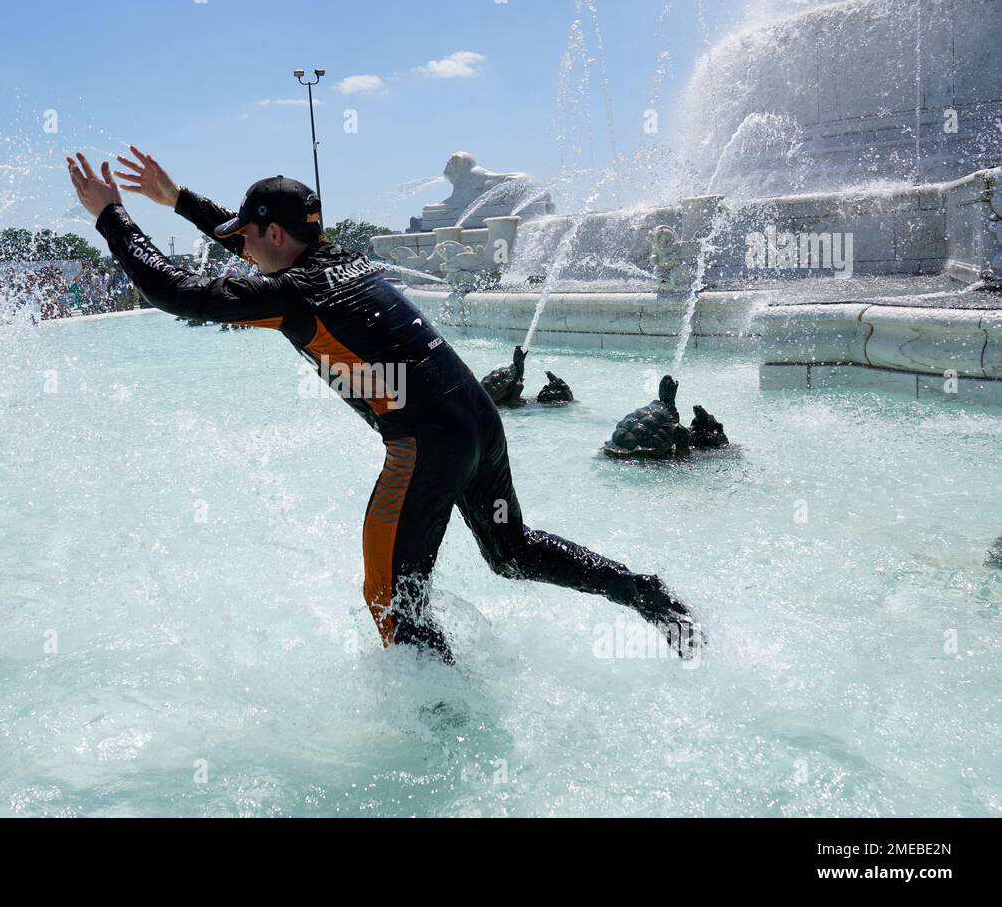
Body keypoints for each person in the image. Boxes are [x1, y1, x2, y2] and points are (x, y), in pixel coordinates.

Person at [66, 146, 702, 663]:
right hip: (478, 418)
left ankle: (446, 733)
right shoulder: (341, 259)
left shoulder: (292, 294)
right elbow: (254, 243)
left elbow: (175, 291)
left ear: (275, 233)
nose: (239, 247)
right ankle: (646, 594)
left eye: (246, 235)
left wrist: (112, 216)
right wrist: (177, 200)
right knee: (511, 551)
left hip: (425, 443)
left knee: (391, 600)